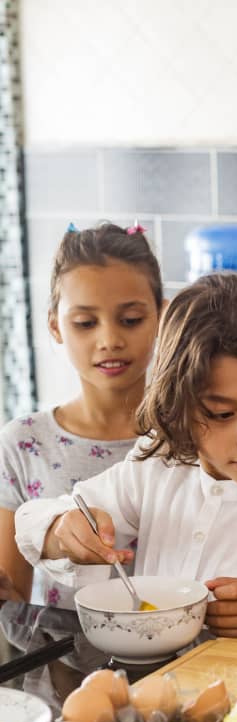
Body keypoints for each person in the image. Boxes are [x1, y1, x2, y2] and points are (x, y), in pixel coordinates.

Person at [15, 273, 237, 647]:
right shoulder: (156, 470)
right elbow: (33, 521)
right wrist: (63, 530)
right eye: (223, 414)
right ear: (180, 406)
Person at [0, 223, 163, 608]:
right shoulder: (24, 443)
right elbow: (15, 602)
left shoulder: (193, 435)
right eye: (86, 323)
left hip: (184, 664)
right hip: (61, 667)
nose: (109, 340)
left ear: (162, 315)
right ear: (56, 326)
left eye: (130, 320)